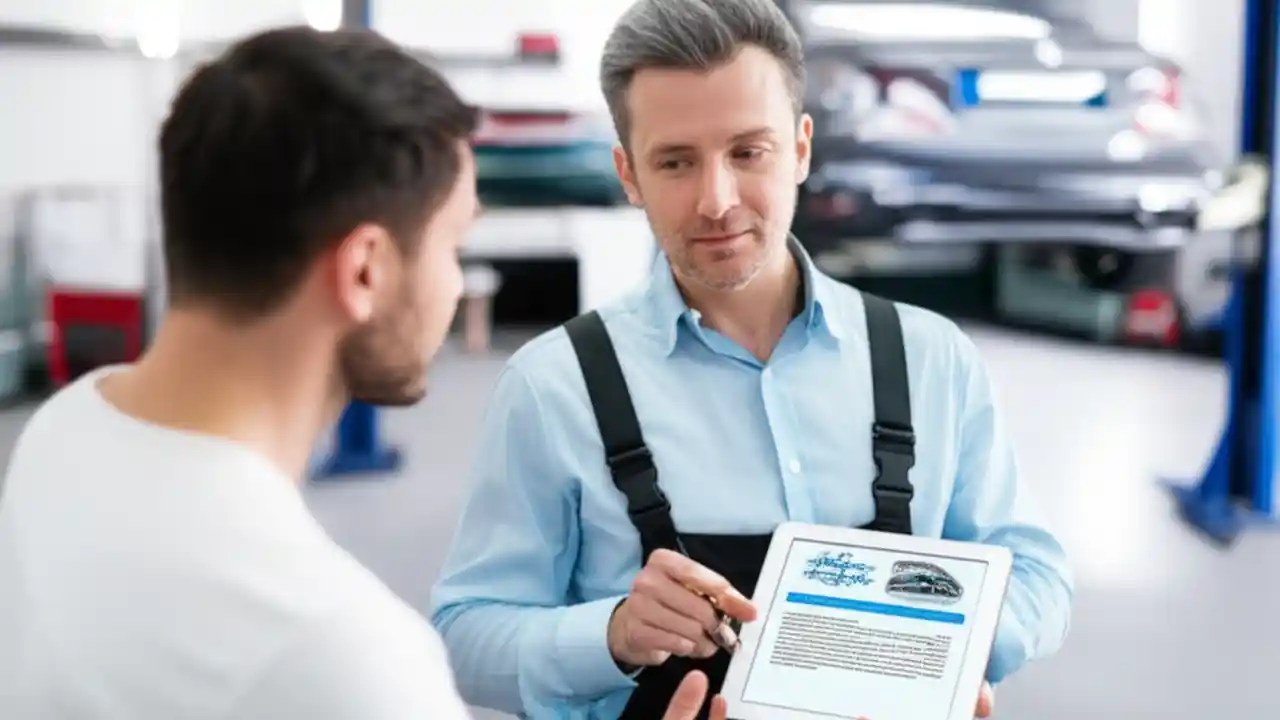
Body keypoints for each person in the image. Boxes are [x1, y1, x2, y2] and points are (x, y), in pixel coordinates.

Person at [0, 25, 724, 720]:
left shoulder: (65, 426)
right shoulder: (343, 655)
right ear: (366, 269)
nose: (453, 283)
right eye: (454, 243)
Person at [429, 0, 1073, 718]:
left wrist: (946, 660)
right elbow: (465, 637)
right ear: (628, 174)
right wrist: (608, 634)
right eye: (676, 161)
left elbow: (1036, 573)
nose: (717, 200)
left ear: (800, 148)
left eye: (747, 152)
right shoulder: (555, 388)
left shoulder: (933, 362)